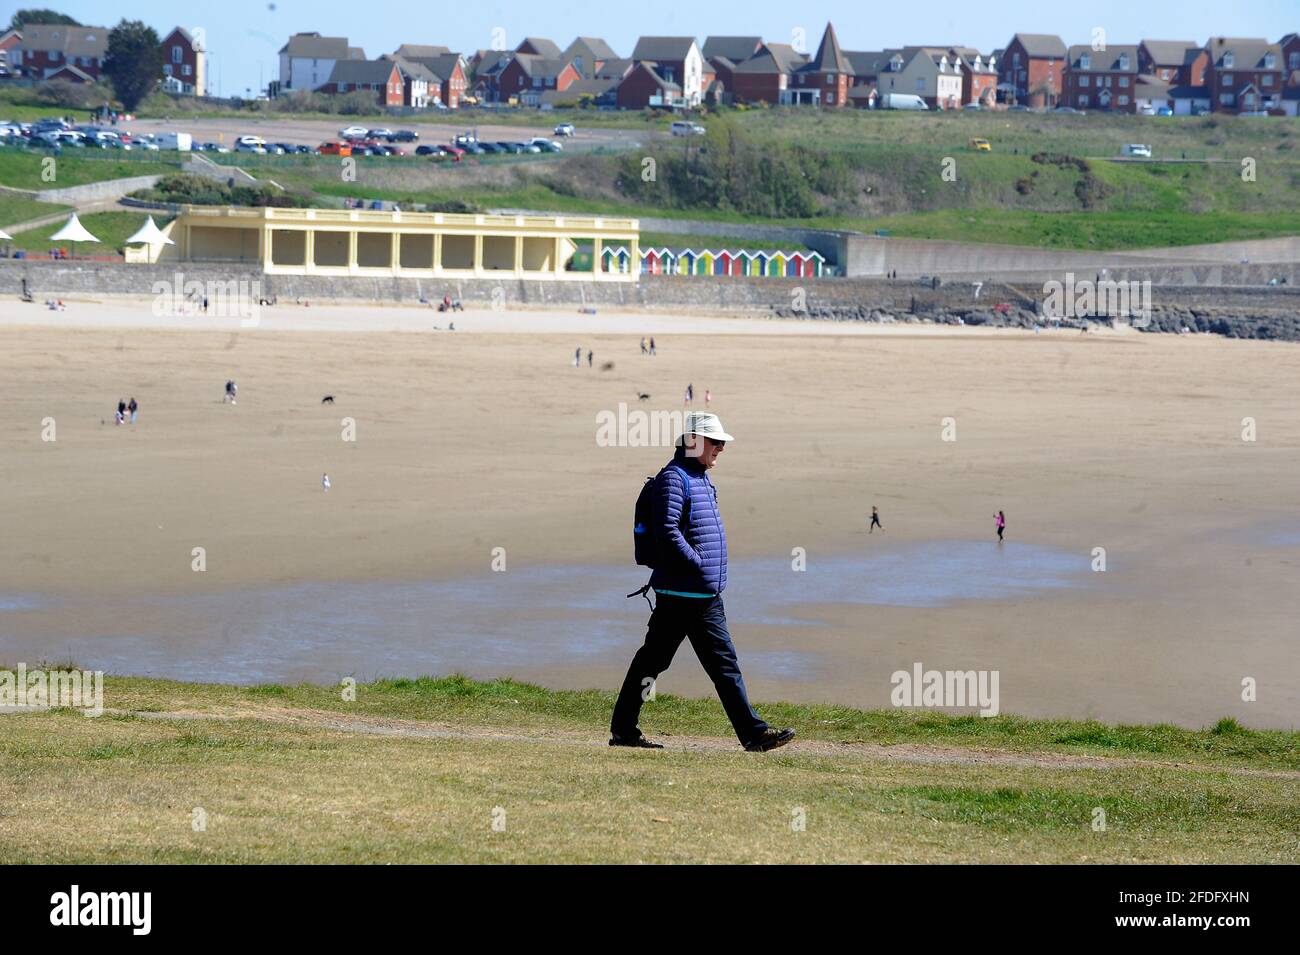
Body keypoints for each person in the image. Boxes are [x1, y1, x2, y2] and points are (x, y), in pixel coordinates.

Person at [611, 412, 795, 753]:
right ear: (694, 441)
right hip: (684, 594)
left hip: (699, 593)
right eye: (715, 442)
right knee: (708, 665)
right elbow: (667, 531)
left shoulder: (699, 477)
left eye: (722, 443)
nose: (721, 449)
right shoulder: (674, 478)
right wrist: (697, 564)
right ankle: (753, 734)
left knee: (662, 663)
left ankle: (624, 730)